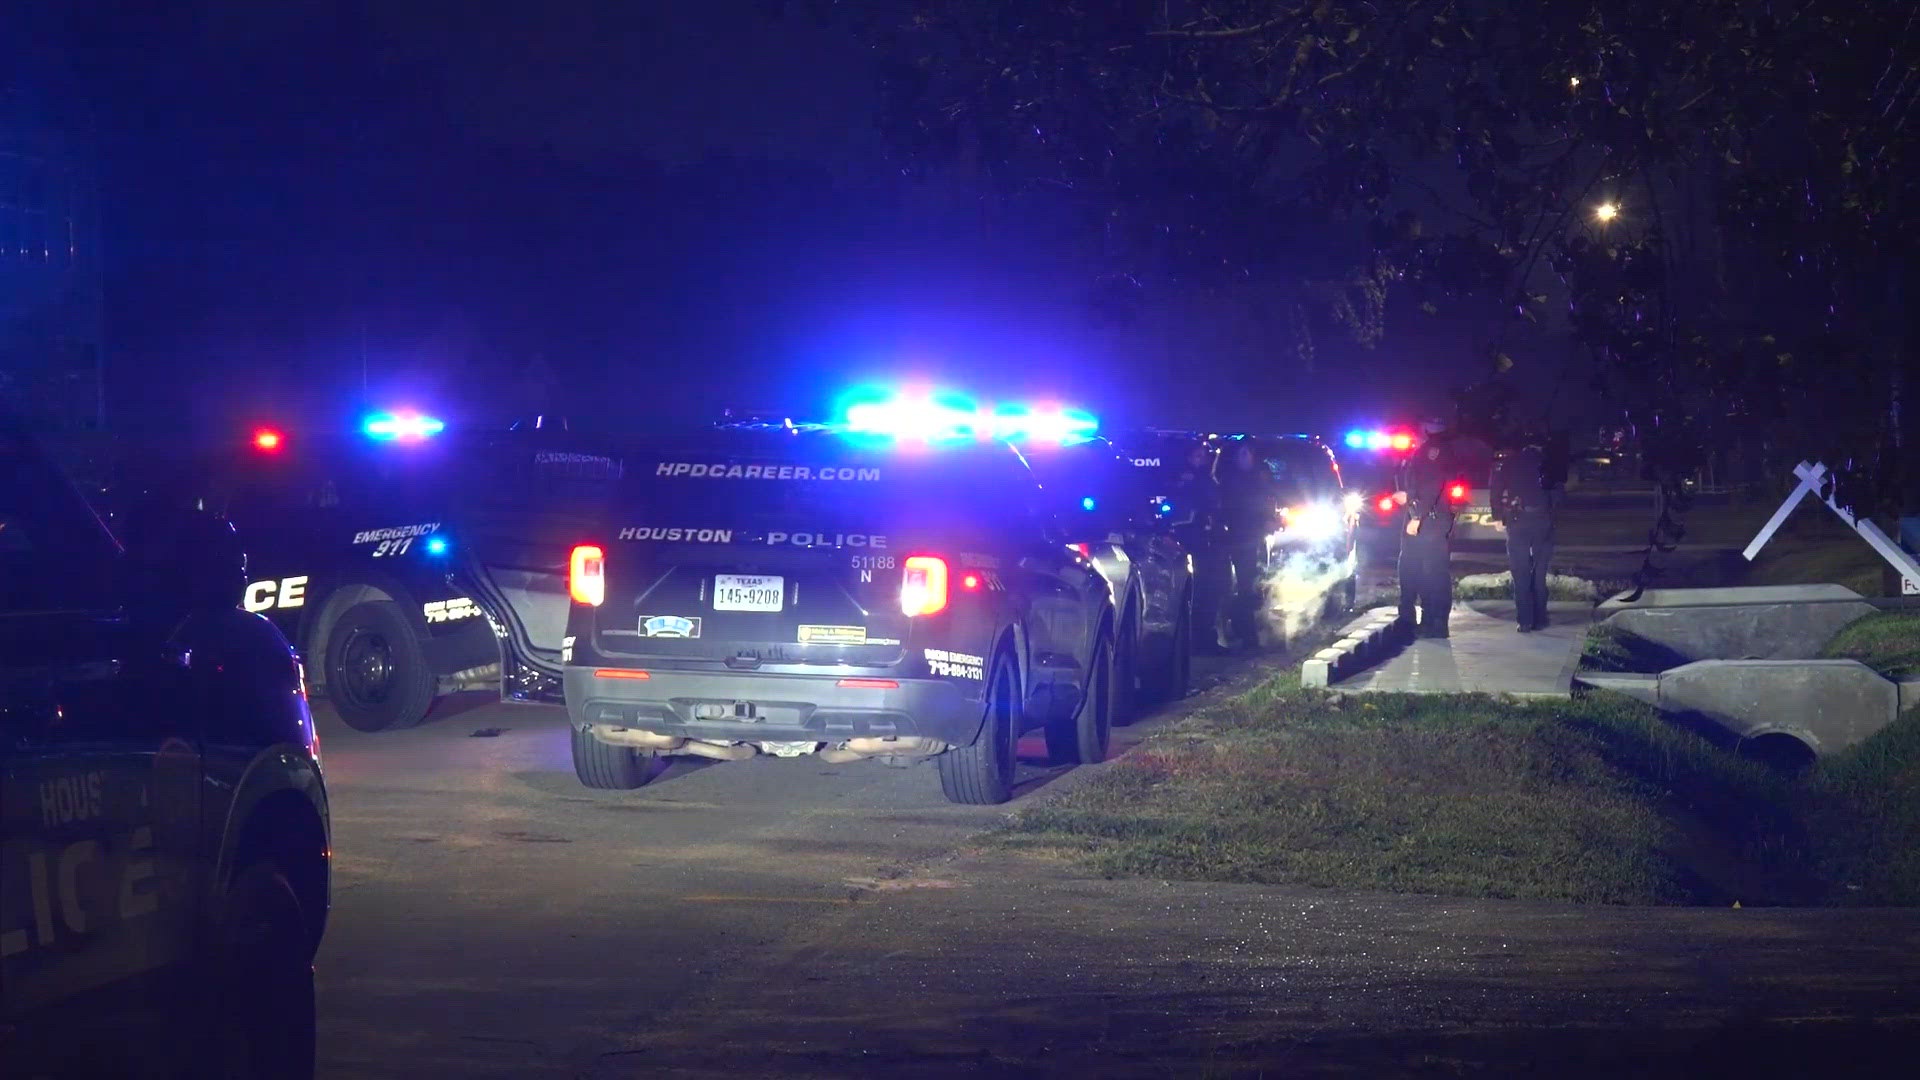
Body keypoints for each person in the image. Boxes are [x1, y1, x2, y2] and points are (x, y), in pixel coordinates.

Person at [1491, 430, 1566, 632]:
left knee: (1520, 572)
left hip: (1518, 520)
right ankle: (1540, 618)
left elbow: (1495, 490)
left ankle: (1524, 620)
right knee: (1539, 573)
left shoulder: (1509, 462)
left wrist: (1498, 516)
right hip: (1542, 521)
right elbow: (1559, 495)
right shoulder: (1550, 464)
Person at [1394, 420, 1459, 638]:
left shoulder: (1432, 451)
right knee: (1416, 568)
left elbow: (1431, 485)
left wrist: (1416, 515)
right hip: (1428, 518)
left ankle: (1434, 623)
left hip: (1428, 520)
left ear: (1426, 431)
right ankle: (1425, 620)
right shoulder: (1432, 451)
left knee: (1432, 572)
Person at [1213, 438, 1276, 650]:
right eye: (1243, 453)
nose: (1247, 457)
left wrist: (1267, 519)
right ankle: (1240, 633)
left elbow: (1265, 502)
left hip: (1248, 538)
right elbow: (1235, 507)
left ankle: (1247, 632)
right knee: (1235, 587)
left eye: (1249, 453)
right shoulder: (1229, 480)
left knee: (1248, 586)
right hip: (1235, 539)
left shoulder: (1255, 477)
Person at [1167, 441, 1224, 651]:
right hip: (1193, 543)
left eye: (1204, 456)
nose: (1203, 460)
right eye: (1198, 456)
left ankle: (1205, 638)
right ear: (1188, 458)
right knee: (1201, 592)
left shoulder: (1205, 479)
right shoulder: (1187, 481)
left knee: (1211, 591)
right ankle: (1200, 640)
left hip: (1206, 542)